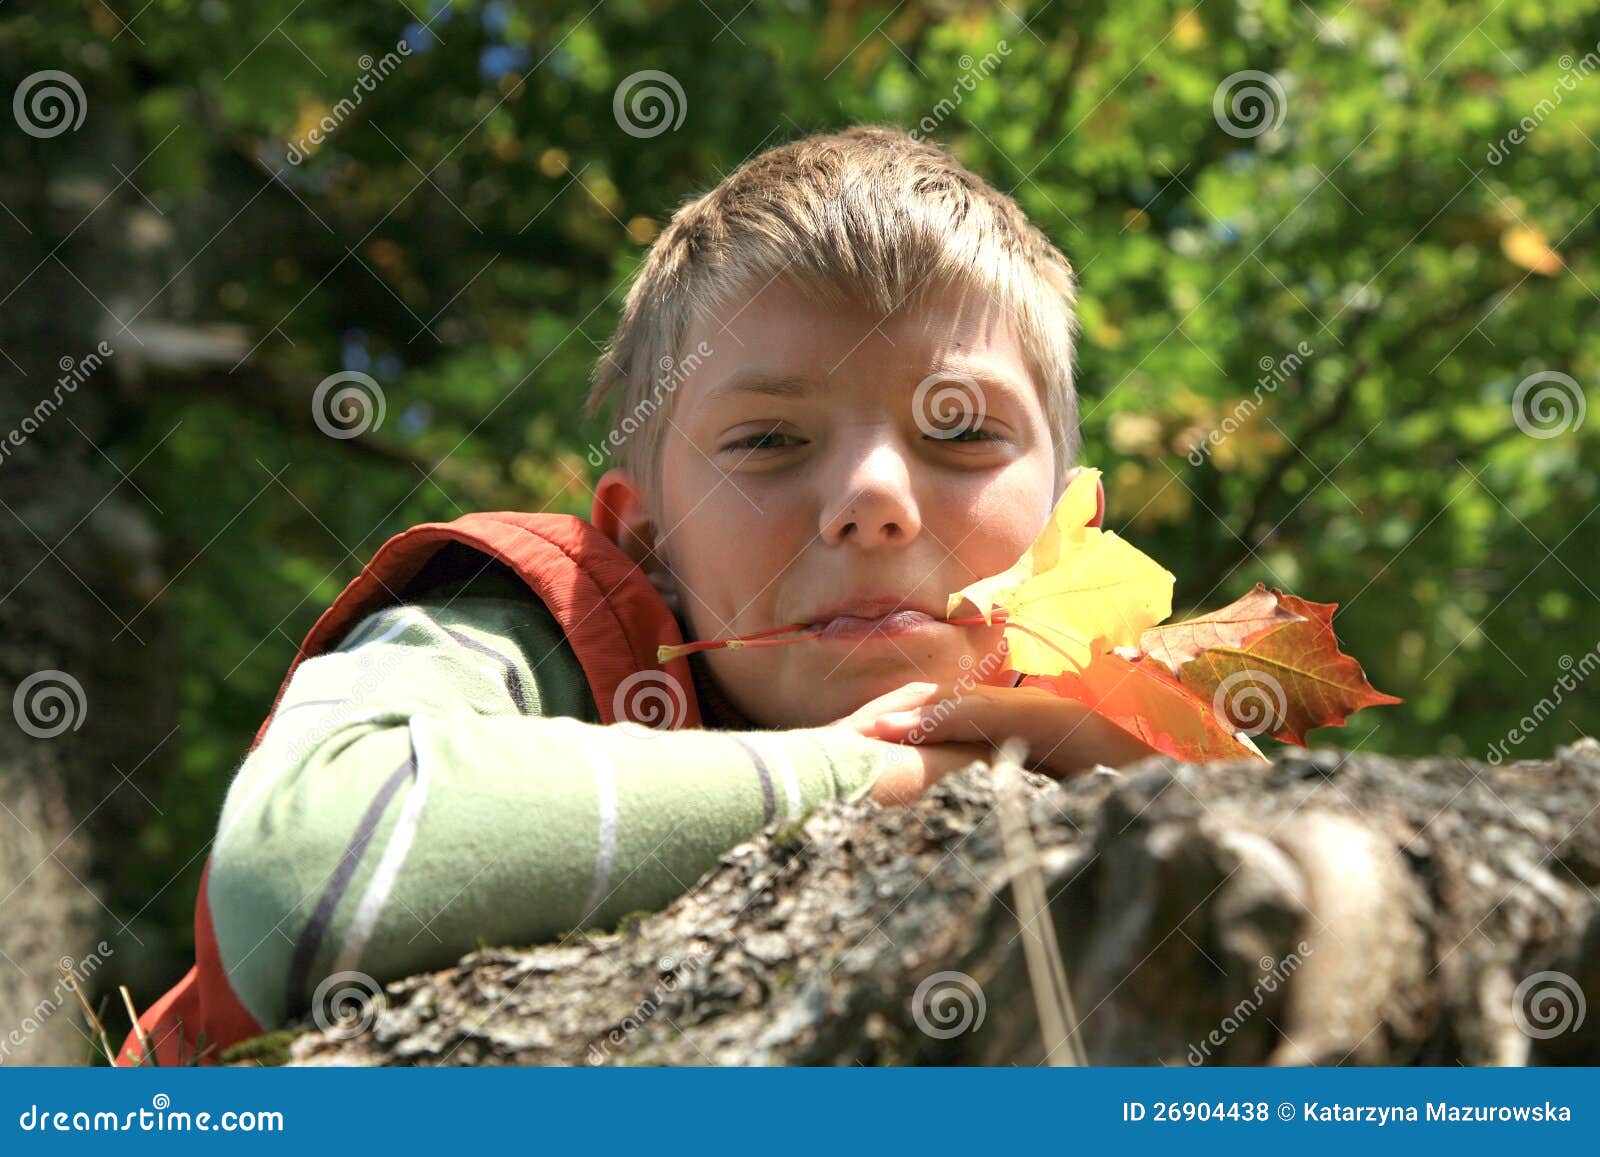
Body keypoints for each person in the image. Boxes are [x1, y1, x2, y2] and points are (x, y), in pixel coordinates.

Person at [116, 124, 1155, 1066]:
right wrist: (878, 775)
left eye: (963, 429)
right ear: (648, 544)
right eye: (769, 439)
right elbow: (301, 870)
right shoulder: (530, 624)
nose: (874, 498)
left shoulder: (1137, 741)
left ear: (1073, 523)